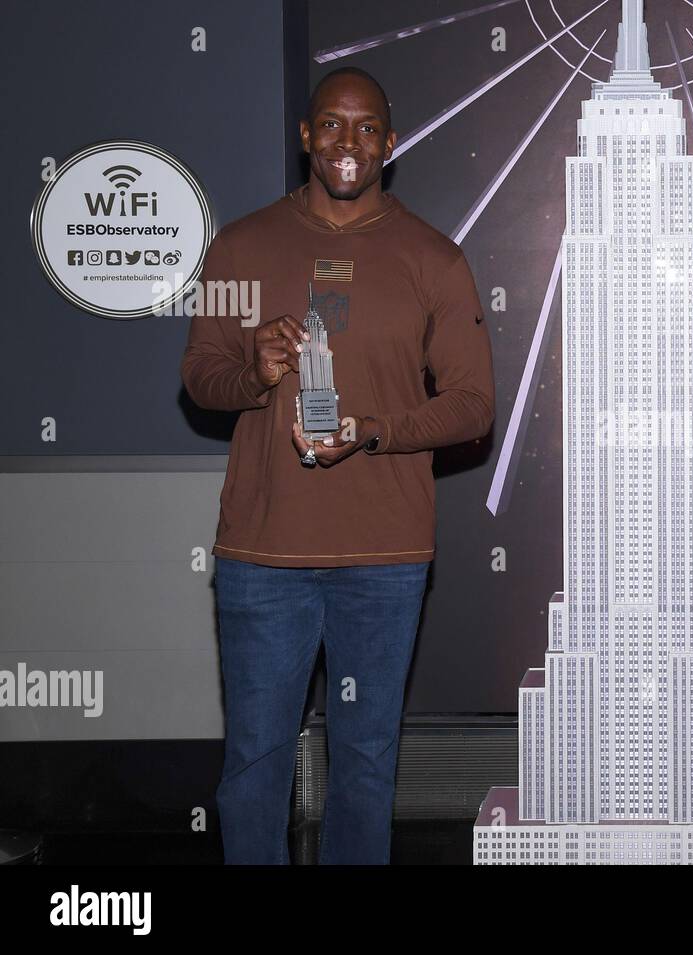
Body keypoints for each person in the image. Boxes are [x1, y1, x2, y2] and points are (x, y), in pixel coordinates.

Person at [180, 66, 494, 864]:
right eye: (329, 124)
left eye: (363, 128)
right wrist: (254, 369)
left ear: (389, 145)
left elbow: (472, 404)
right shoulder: (241, 246)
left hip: (383, 559)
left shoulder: (434, 258)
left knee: (364, 766)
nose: (345, 142)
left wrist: (374, 431)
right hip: (264, 553)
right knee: (253, 767)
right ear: (304, 136)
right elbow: (199, 378)